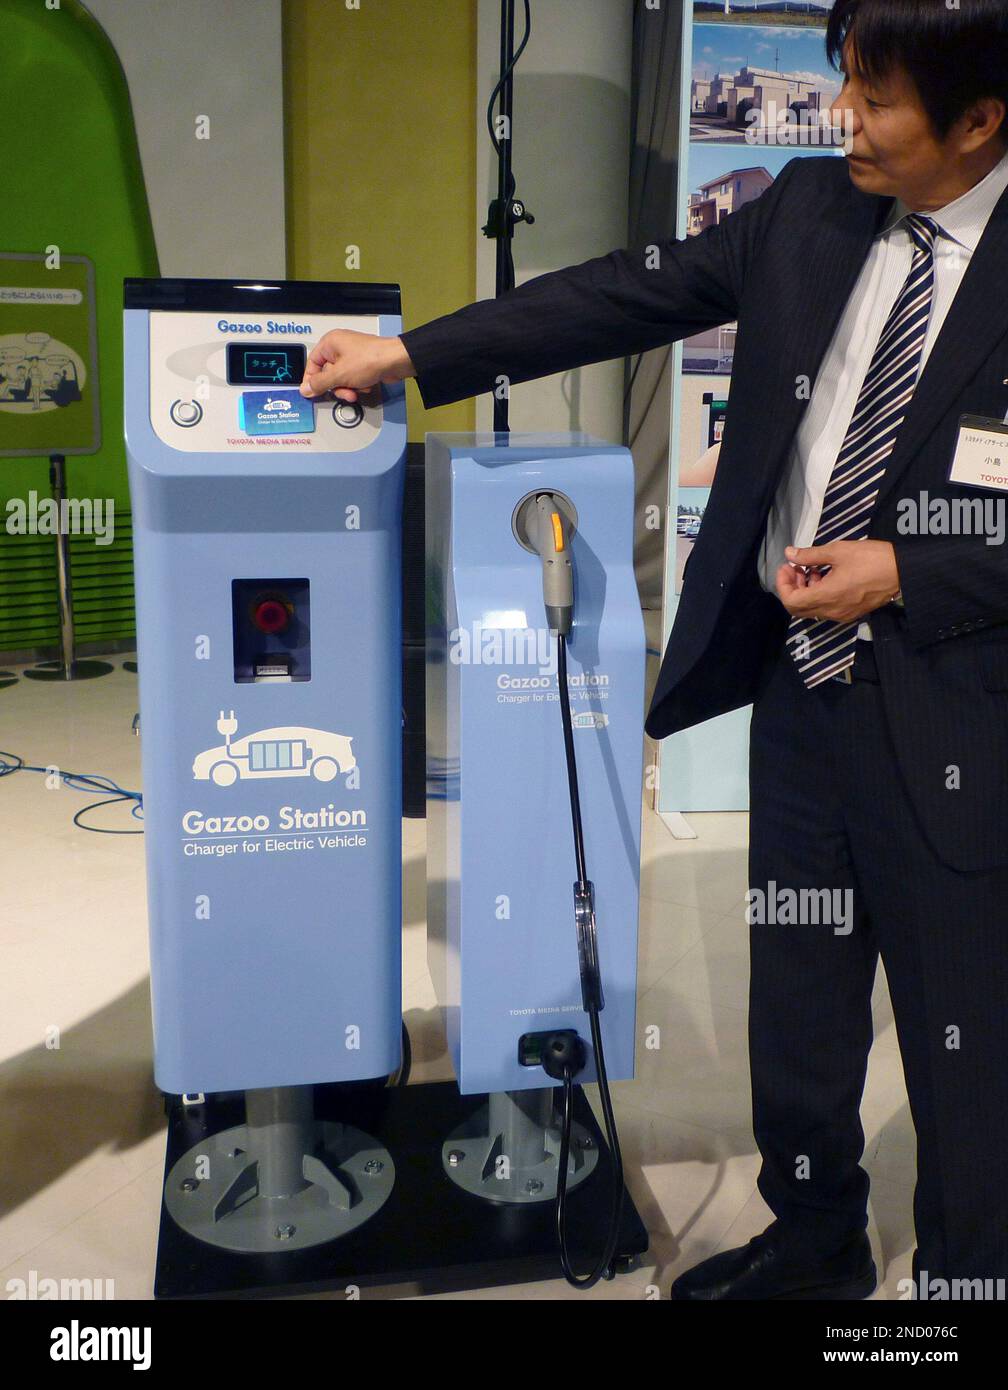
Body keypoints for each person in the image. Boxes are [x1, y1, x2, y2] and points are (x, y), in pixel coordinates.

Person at [300, 0, 1008, 1300]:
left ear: (980, 120)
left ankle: (968, 1281)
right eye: (840, 77)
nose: (842, 114)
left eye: (879, 95)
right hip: (803, 693)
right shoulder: (807, 209)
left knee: (968, 1050)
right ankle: (815, 1246)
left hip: (959, 715)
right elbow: (627, 293)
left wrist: (911, 567)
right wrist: (409, 356)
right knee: (797, 1012)